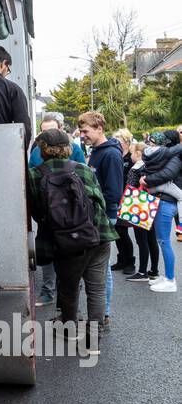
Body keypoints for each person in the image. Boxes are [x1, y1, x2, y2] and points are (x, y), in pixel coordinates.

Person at [29, 129, 116, 357]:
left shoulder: (34, 175)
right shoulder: (83, 169)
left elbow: (35, 210)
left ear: (42, 149)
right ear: (68, 147)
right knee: (96, 289)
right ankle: (94, 341)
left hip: (64, 241)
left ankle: (69, 329)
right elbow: (101, 202)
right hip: (98, 235)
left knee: (68, 289)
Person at [29, 115, 85, 307]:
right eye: (44, 131)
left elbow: (82, 175)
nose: (49, 134)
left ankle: (70, 292)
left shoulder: (74, 149)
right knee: (49, 252)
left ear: (60, 129)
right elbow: (30, 173)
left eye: (52, 129)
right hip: (48, 210)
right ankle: (48, 291)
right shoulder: (36, 150)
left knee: (71, 253)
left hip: (72, 212)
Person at [77, 111, 124, 327]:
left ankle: (104, 314)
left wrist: (97, 211)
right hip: (95, 216)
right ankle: (102, 313)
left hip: (104, 218)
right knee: (99, 268)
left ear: (99, 129)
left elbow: (114, 192)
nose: (82, 135)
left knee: (102, 269)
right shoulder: (96, 151)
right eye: (81, 131)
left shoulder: (111, 154)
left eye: (85, 131)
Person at [141, 129, 182, 293]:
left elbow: (168, 173)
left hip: (166, 201)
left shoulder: (175, 156)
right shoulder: (169, 154)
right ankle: (167, 277)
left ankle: (170, 280)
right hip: (164, 199)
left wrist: (147, 180)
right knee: (162, 240)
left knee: (164, 241)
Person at [125, 141, 160, 280]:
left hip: (138, 204)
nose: (131, 155)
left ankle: (142, 271)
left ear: (138, 154)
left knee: (141, 240)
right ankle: (154, 270)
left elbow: (131, 186)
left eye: (132, 152)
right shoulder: (150, 166)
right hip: (149, 204)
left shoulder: (137, 167)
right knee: (151, 239)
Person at [110, 128, 136, 275]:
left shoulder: (131, 158)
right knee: (117, 231)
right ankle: (121, 260)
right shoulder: (115, 155)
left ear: (126, 142)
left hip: (128, 198)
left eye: (119, 141)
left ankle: (130, 261)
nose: (116, 143)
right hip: (116, 197)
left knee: (122, 231)